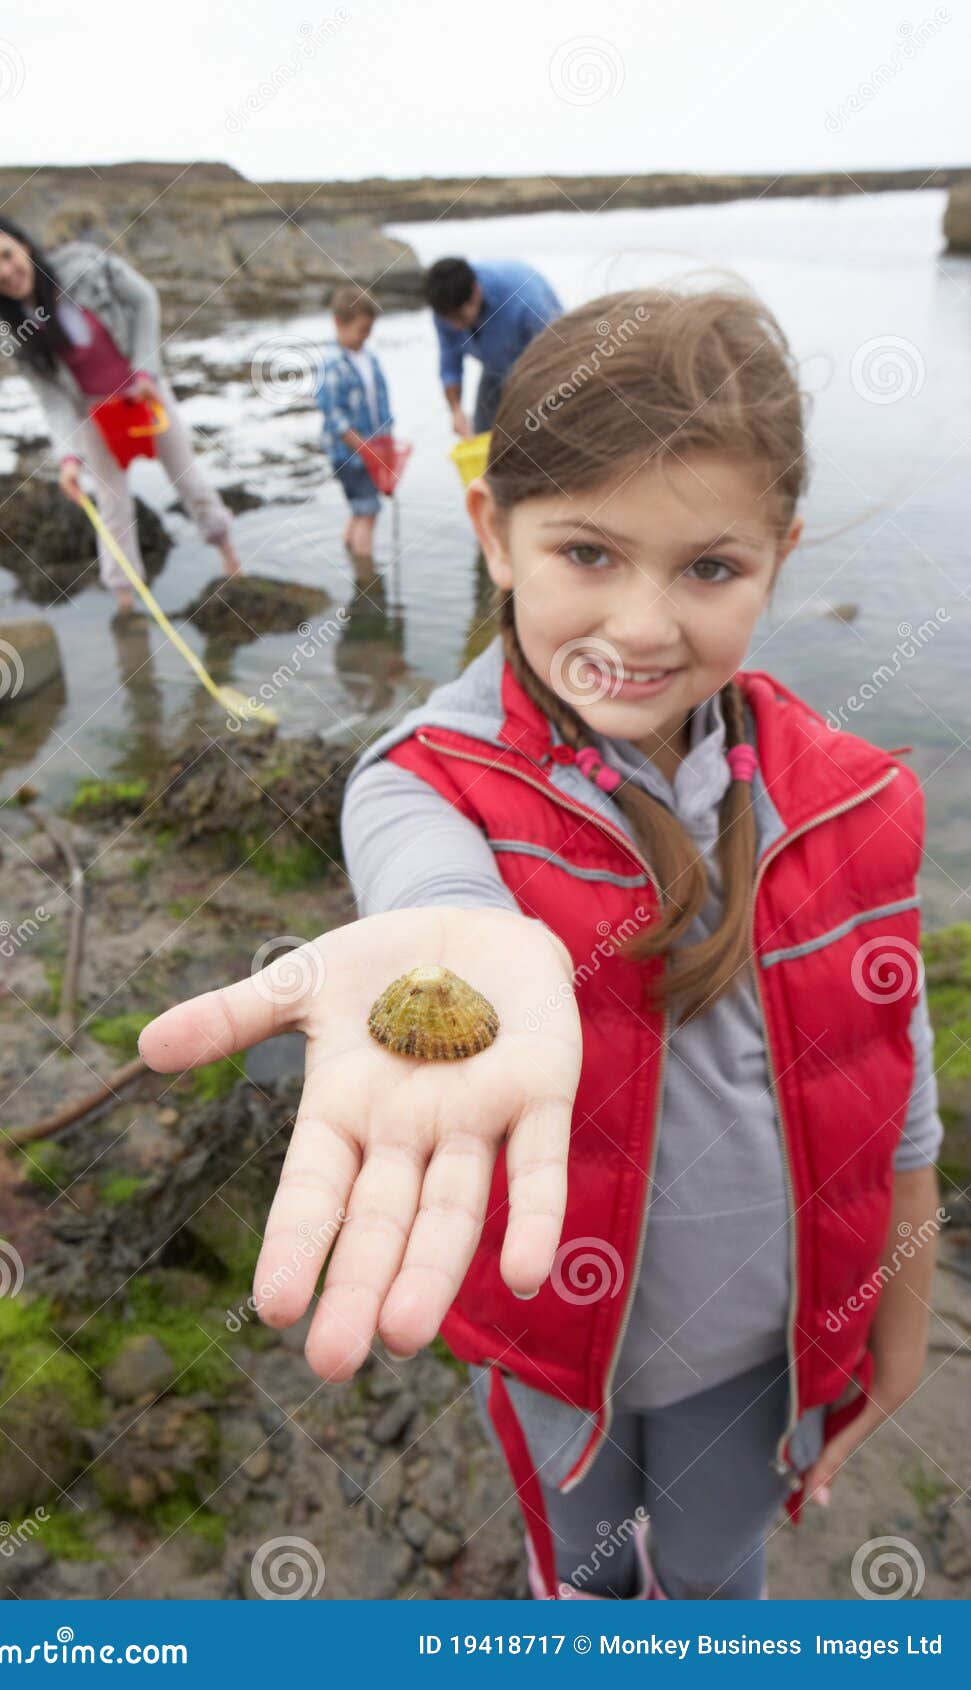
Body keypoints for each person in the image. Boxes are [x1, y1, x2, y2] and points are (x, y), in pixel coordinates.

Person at [138, 287, 943, 1602]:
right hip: (549, 1339)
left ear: (777, 555)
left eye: (707, 567)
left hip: (761, 1347)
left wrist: (895, 1316)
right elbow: (428, 887)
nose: (637, 625)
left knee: (712, 1569)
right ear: (491, 533)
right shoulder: (427, 782)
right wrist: (455, 941)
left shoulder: (855, 798)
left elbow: (894, 1083)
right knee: (582, 1568)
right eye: (586, 552)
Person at [0, 214, 244, 616]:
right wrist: (68, 460)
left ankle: (229, 557)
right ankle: (126, 602)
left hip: (144, 394)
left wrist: (147, 369)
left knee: (189, 479)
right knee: (113, 508)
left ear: (24, 246)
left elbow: (144, 299)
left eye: (7, 255)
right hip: (95, 414)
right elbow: (55, 402)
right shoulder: (14, 334)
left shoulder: (85, 267)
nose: (4, 271)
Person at [425, 255, 562, 436]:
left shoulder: (528, 300)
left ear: (475, 292)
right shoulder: (445, 308)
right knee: (484, 433)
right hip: (494, 368)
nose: (455, 327)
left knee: (539, 431)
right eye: (449, 320)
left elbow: (558, 355)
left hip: (544, 365)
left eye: (460, 318)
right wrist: (456, 410)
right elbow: (450, 365)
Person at [316, 284, 395, 569]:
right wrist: (365, 449)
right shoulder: (332, 364)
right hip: (349, 455)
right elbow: (335, 418)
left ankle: (349, 550)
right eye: (361, 330)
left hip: (372, 450)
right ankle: (366, 577)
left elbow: (381, 404)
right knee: (369, 511)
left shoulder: (368, 358)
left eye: (369, 331)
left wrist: (386, 445)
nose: (365, 337)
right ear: (339, 323)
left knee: (360, 508)